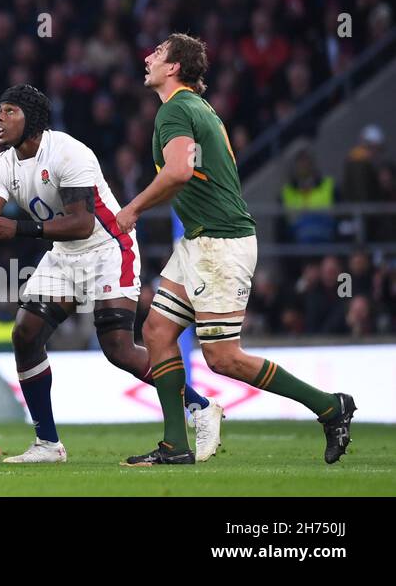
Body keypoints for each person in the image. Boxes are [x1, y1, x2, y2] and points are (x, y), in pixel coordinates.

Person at [0, 85, 221, 463]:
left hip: (108, 247)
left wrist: (20, 228)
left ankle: (200, 406)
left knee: (118, 348)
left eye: (9, 111)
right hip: (63, 254)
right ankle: (48, 444)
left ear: (32, 119)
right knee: (25, 334)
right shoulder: (5, 164)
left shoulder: (68, 151)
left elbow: (83, 223)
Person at [115, 34, 355, 465]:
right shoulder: (193, 108)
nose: (147, 56)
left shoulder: (177, 109)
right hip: (201, 240)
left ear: (174, 68)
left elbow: (178, 171)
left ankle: (329, 406)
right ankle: (174, 444)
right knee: (156, 331)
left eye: (158, 53)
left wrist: (131, 208)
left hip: (219, 243)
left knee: (223, 358)